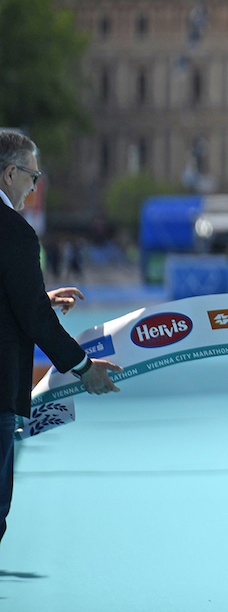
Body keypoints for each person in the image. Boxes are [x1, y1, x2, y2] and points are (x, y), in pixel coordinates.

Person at [0, 131, 122, 544]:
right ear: (10, 173)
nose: (35, 186)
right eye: (33, 176)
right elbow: (33, 320)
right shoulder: (14, 231)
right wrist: (84, 368)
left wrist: (38, 298)